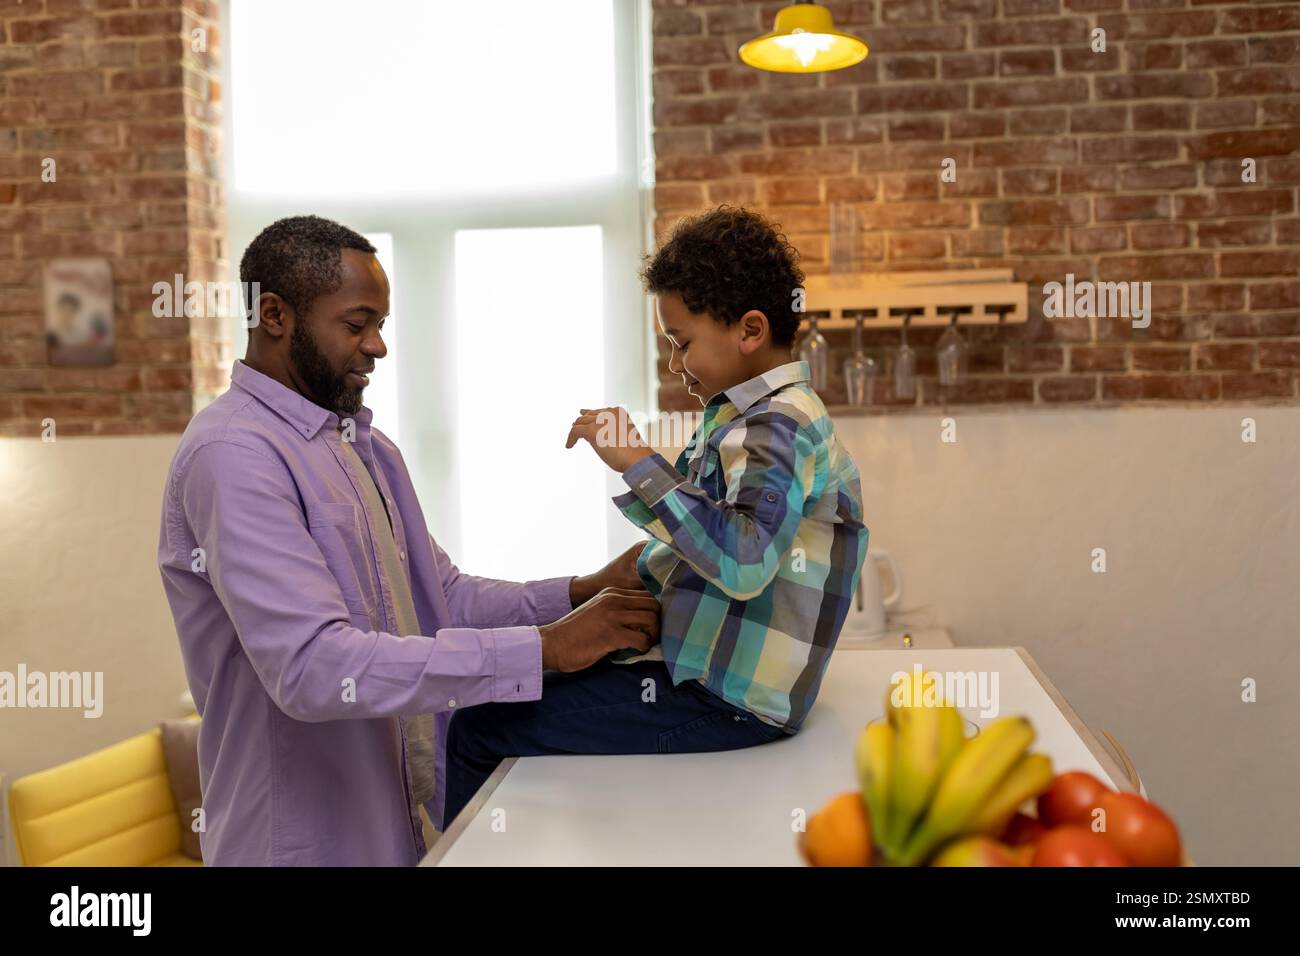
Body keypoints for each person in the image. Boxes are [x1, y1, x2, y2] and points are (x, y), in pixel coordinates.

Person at [157, 215, 658, 865]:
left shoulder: (365, 448)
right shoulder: (233, 455)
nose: (377, 347)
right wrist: (543, 650)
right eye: (356, 324)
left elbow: (437, 597)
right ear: (275, 315)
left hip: (398, 830)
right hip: (292, 846)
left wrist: (582, 592)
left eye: (381, 327)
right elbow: (312, 667)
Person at [442, 206, 869, 827]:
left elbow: (745, 560)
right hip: (714, 686)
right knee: (510, 702)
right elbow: (713, 531)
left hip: (730, 702)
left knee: (478, 729)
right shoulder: (751, 418)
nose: (676, 364)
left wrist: (639, 460)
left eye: (681, 342)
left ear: (750, 330)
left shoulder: (780, 424)